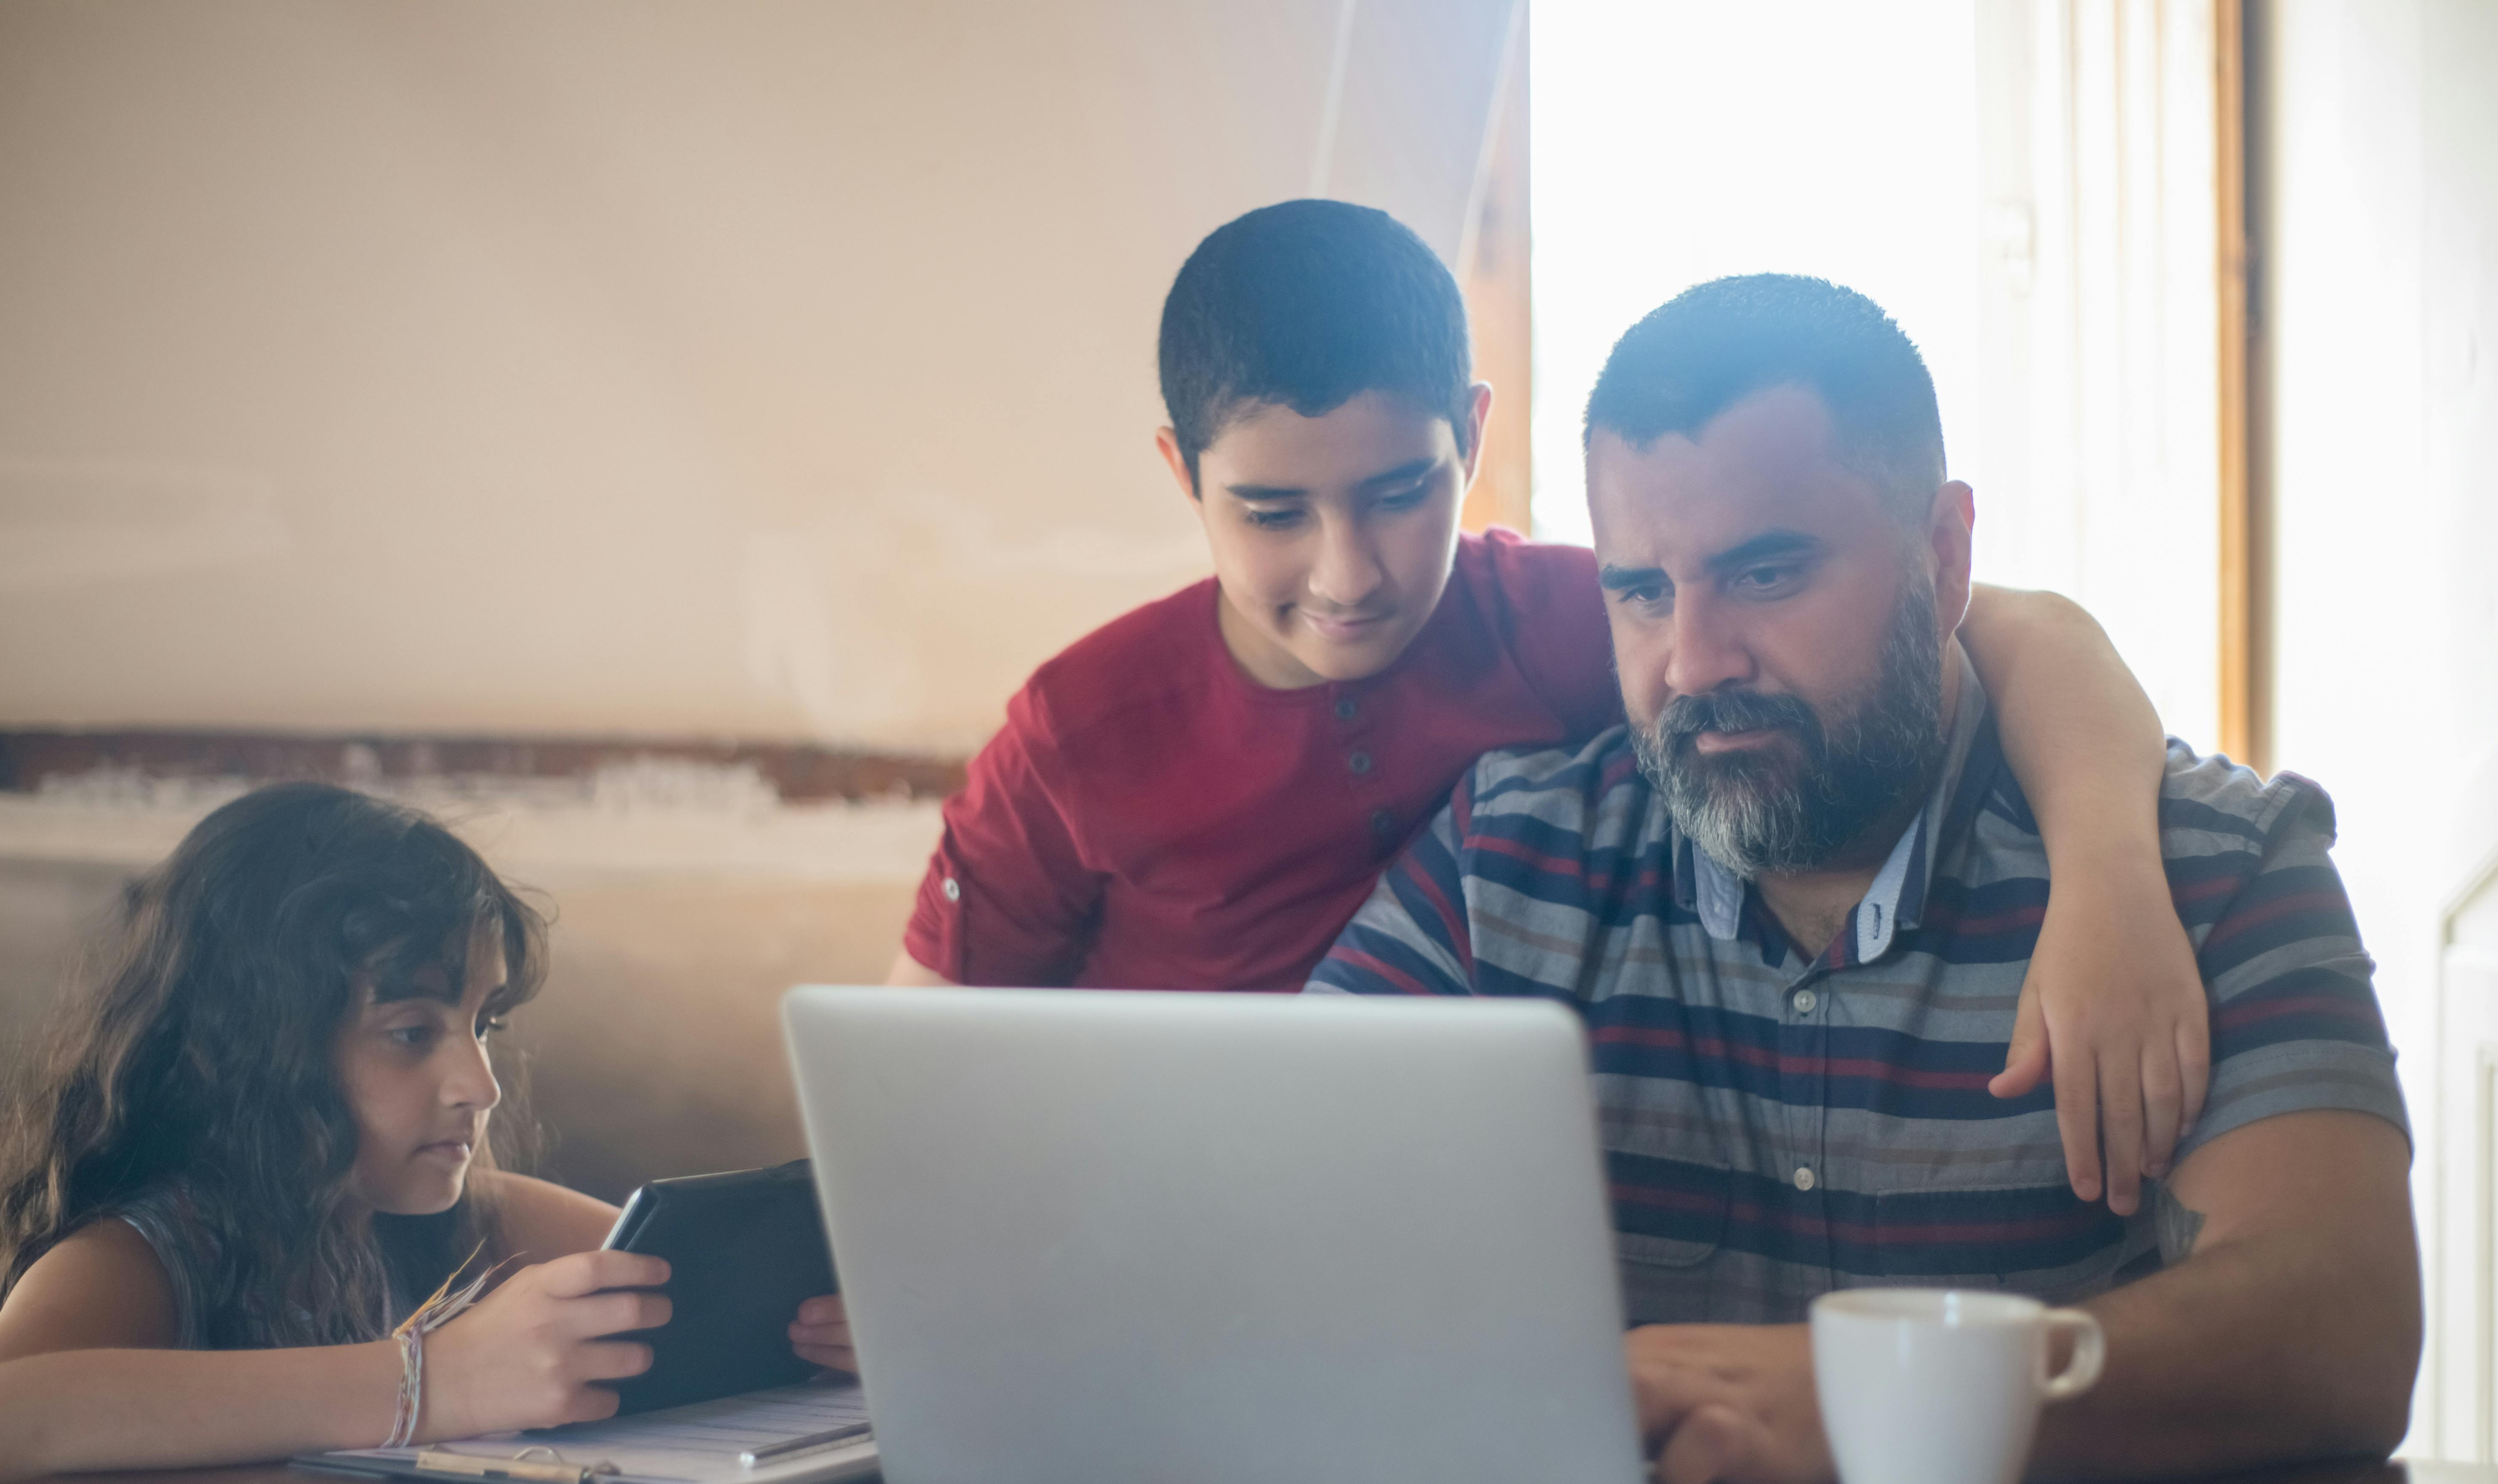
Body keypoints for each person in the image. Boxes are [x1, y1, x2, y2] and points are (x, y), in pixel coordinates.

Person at [1309, 274, 2420, 1484]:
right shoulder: (1499, 868)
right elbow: (1269, 1234)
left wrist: (1888, 1401)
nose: (1693, 662)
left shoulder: (2210, 871)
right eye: (1640, 592)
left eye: (1768, 575)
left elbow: (2343, 1334)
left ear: (1945, 560)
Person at [883, 200, 2205, 1212]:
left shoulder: (1614, 617)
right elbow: (908, 1091)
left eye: (1404, 492)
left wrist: (2110, 884)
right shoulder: (1075, 732)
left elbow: (2015, 633)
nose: (1351, 575)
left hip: (1462, 1235)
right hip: (1157, 1219)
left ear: (1472, 431)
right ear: (1183, 473)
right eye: (1274, 513)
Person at [0, 784, 670, 1484]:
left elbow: (692, 1268)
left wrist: (784, 1314)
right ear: (262, 1049)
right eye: (413, 1032)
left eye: (484, 1026)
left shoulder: (468, 1217)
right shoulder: (155, 1253)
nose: (482, 1086)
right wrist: (438, 1383)